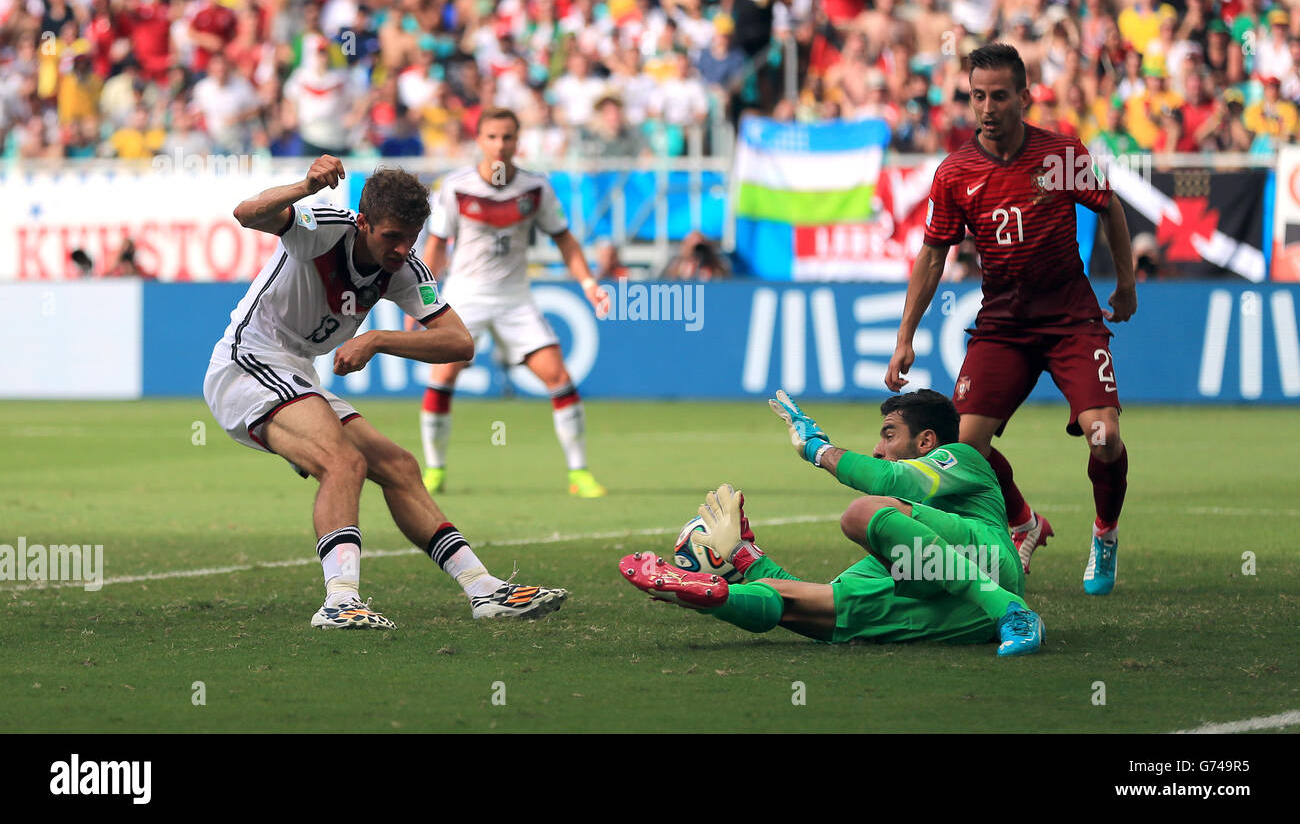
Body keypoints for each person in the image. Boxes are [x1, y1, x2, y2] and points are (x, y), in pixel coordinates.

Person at [204, 157, 568, 629]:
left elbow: (460, 342)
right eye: (391, 236)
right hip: (247, 362)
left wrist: (379, 339)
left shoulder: (405, 269)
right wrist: (304, 186)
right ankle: (339, 601)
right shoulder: (323, 227)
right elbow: (247, 213)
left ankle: (484, 589)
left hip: (294, 373)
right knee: (344, 462)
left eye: (411, 237)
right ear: (363, 223)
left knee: (398, 467)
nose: (402, 249)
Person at [885, 43, 1137, 596]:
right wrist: (905, 337)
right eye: (978, 96)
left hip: (1071, 318)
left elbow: (1110, 205)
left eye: (1000, 96)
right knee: (961, 448)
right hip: (1003, 323)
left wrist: (1125, 281)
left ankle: (1105, 532)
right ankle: (1023, 522)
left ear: (1024, 97)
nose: (987, 107)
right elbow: (932, 255)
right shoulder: (955, 173)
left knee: (1104, 436)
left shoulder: (1061, 153)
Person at [618, 390, 1045, 657]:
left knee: (861, 513)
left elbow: (894, 480)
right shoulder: (895, 551)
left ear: (927, 440)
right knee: (805, 606)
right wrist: (745, 558)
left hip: (990, 564)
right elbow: (801, 595)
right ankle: (698, 594)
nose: (878, 449)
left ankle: (1012, 611)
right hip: (962, 615)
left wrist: (816, 449)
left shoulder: (964, 459)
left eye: (889, 434)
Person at [418, 108, 610, 498]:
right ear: (480, 140)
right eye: (492, 137)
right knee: (443, 377)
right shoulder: (455, 187)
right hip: (464, 296)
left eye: (507, 137)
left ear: (518, 141)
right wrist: (424, 302)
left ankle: (579, 474)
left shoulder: (536, 188)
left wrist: (589, 283)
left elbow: (565, 239)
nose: (500, 144)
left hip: (514, 299)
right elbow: (435, 248)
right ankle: (434, 470)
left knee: (559, 378)